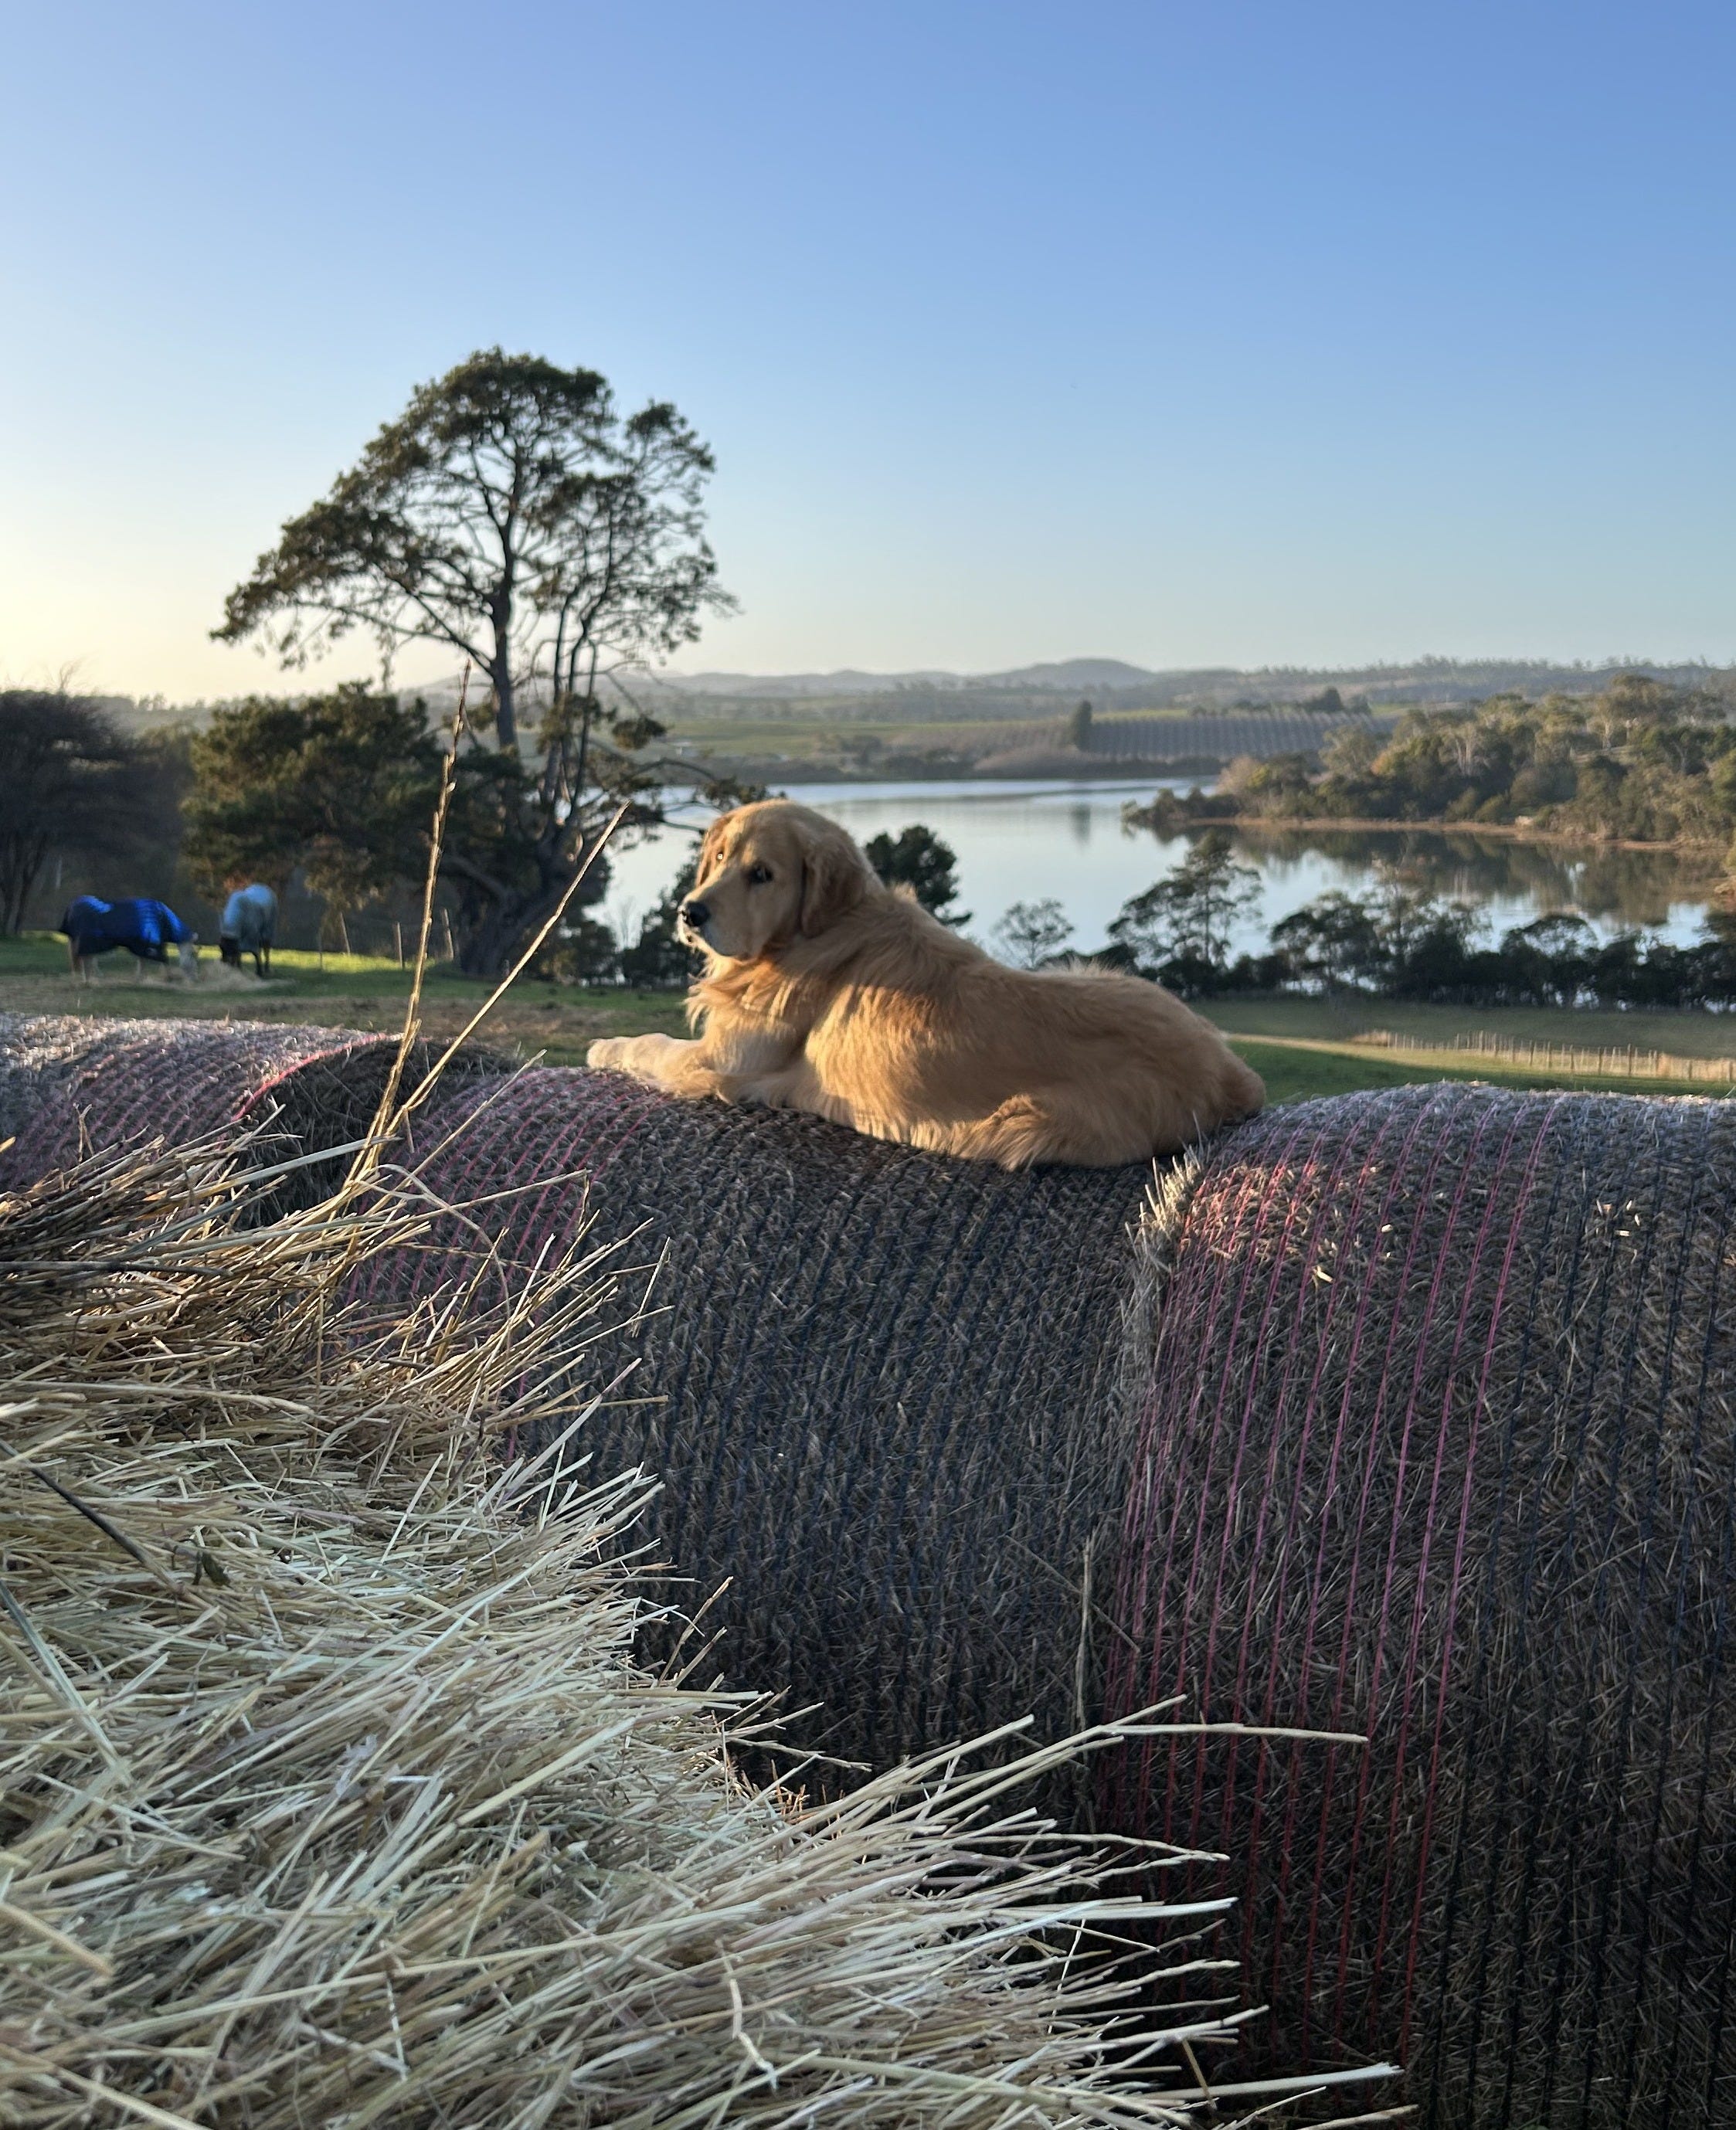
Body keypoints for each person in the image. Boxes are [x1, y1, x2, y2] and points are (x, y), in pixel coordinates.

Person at [60, 896, 199, 981]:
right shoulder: (156, 913)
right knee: (89, 941)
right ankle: (87, 978)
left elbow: (146, 943)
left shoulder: (157, 912)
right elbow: (148, 941)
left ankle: (141, 976)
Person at [219, 882, 279, 978]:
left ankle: (265, 964)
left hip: (255, 912)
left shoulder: (250, 911)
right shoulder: (233, 911)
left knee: (264, 938)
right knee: (234, 942)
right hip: (233, 930)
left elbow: (253, 931)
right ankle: (240, 967)